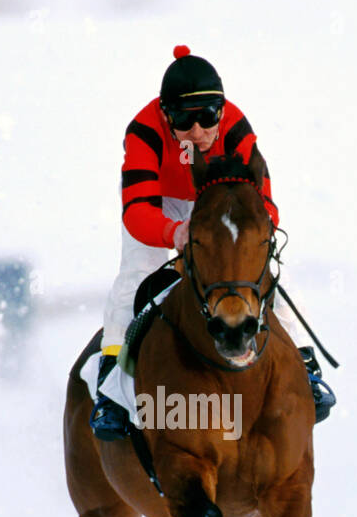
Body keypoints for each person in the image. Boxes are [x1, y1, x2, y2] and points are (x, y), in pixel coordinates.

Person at [89, 46, 334, 440]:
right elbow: (137, 213)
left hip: (216, 199)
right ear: (166, 114)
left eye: (208, 117)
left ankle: (306, 365)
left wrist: (252, 234)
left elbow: (265, 203)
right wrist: (175, 233)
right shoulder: (143, 132)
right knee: (137, 275)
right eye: (186, 120)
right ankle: (111, 391)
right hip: (158, 202)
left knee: (266, 275)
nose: (200, 131)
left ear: (221, 109)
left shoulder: (235, 126)